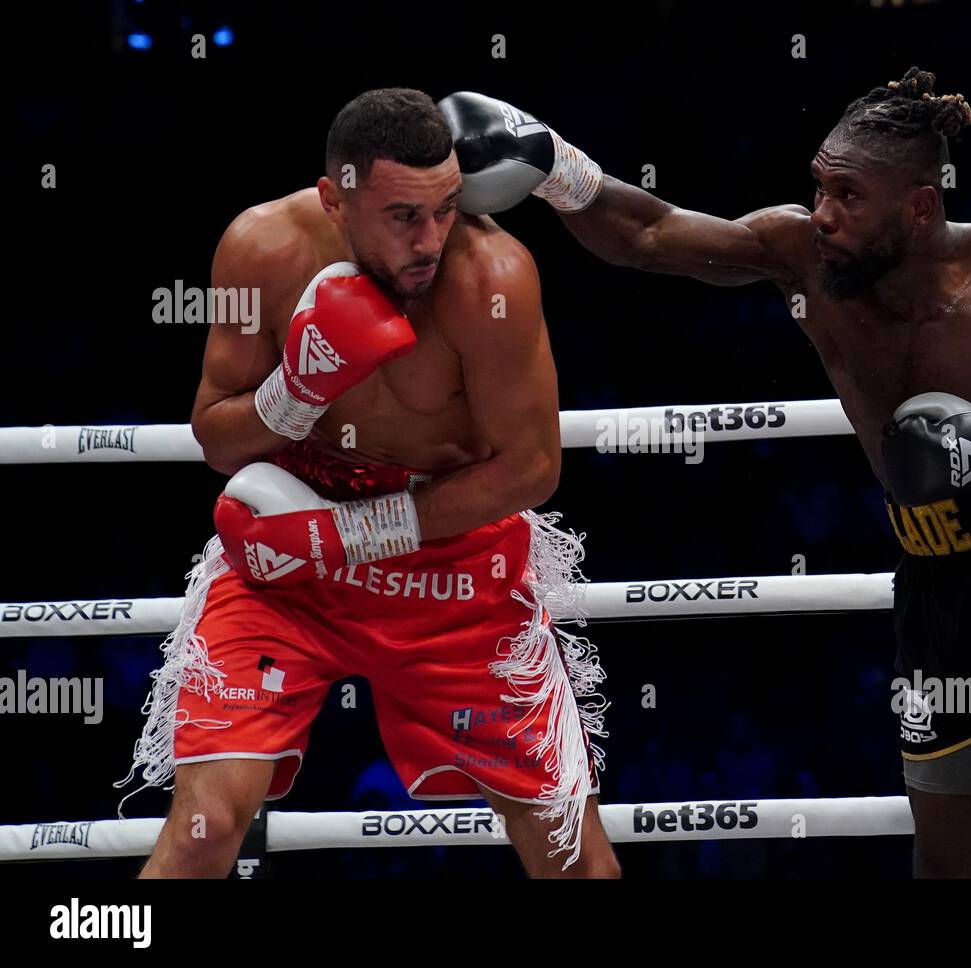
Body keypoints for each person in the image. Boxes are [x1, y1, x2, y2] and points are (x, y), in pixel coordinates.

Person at [441, 67, 971, 878]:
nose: (823, 214)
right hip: (935, 588)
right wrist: (551, 161)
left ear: (919, 207)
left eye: (848, 196)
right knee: (950, 864)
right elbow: (649, 234)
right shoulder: (804, 257)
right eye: (818, 187)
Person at [119, 88, 617, 878]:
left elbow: (531, 469)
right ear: (334, 197)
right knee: (207, 830)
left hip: (451, 563)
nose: (430, 241)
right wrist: (295, 391)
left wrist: (352, 534)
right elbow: (216, 435)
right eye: (403, 217)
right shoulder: (263, 249)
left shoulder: (493, 279)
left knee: (572, 856)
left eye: (447, 209)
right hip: (286, 563)